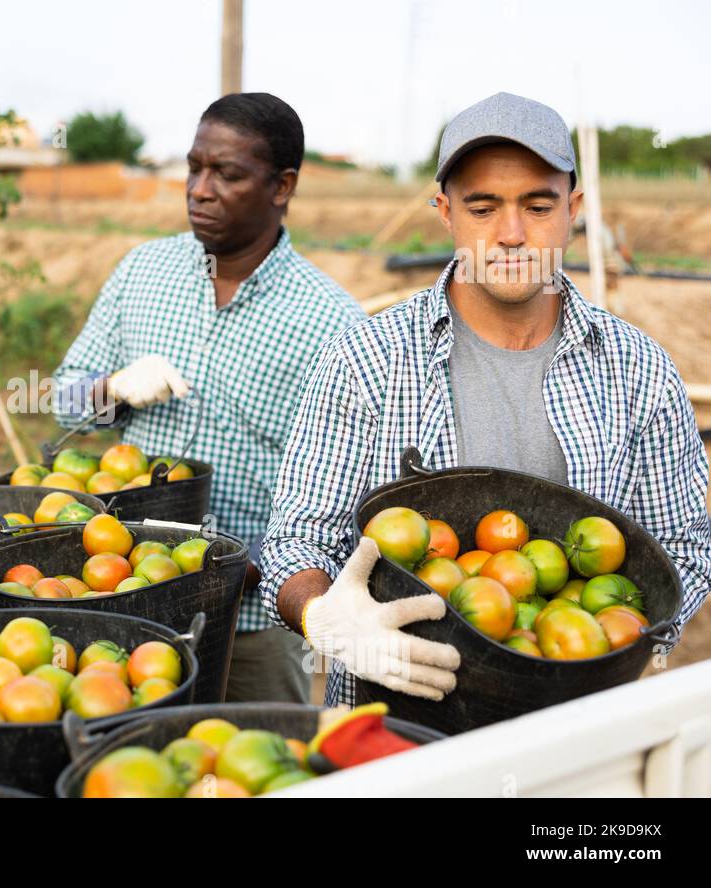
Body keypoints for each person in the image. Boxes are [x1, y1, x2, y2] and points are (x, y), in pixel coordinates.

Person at [260, 92, 711, 705]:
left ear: (573, 209)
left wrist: (620, 646)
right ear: (446, 213)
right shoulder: (369, 360)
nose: (512, 234)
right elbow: (296, 539)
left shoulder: (640, 372)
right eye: (483, 206)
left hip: (575, 727)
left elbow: (684, 544)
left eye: (538, 204)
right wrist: (324, 618)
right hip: (396, 720)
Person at [54, 93, 366, 703]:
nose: (199, 189)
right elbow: (62, 400)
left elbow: (351, 489)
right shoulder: (142, 274)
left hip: (256, 624)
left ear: (282, 186)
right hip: (123, 600)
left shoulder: (331, 323)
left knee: (259, 763)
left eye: (226, 174)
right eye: (194, 168)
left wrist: (252, 566)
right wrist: (112, 391)